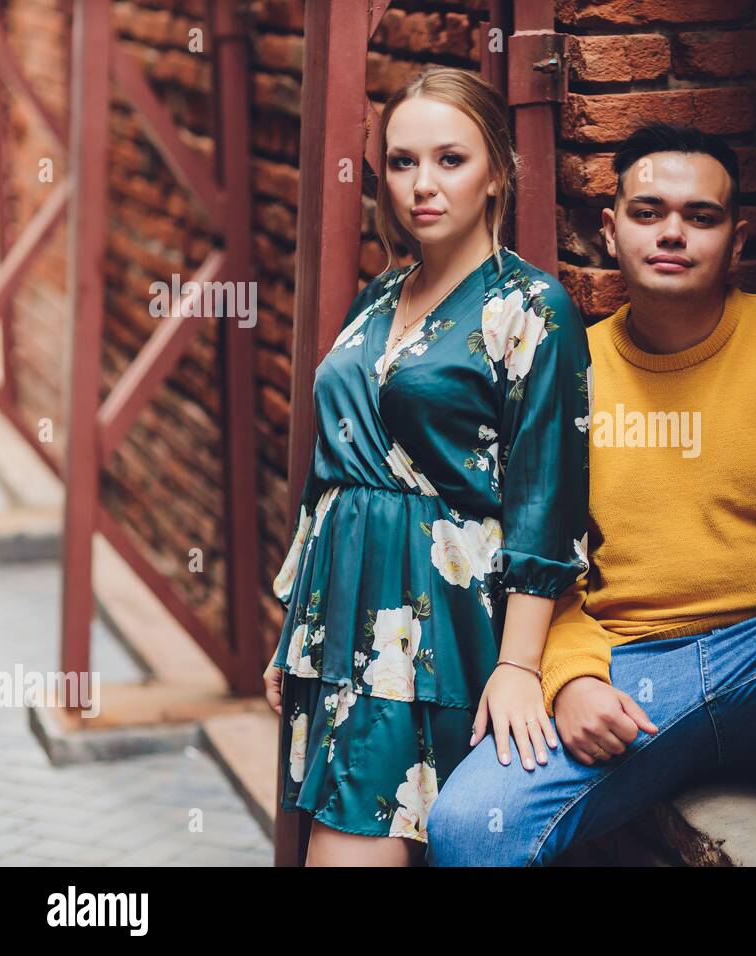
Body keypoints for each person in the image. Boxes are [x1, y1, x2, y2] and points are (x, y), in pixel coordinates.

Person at [425, 123, 756, 867]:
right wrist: (570, 679)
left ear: (738, 239)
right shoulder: (566, 374)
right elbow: (535, 558)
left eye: (701, 217)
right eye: (648, 211)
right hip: (634, 673)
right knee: (466, 828)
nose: (673, 234)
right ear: (610, 229)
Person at [262, 66, 591, 866]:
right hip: (338, 618)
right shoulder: (378, 294)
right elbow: (328, 472)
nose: (423, 184)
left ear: (497, 173)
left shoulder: (530, 308)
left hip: (435, 619)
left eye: (451, 160)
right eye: (403, 162)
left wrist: (519, 664)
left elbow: (545, 498)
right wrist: (292, 631)